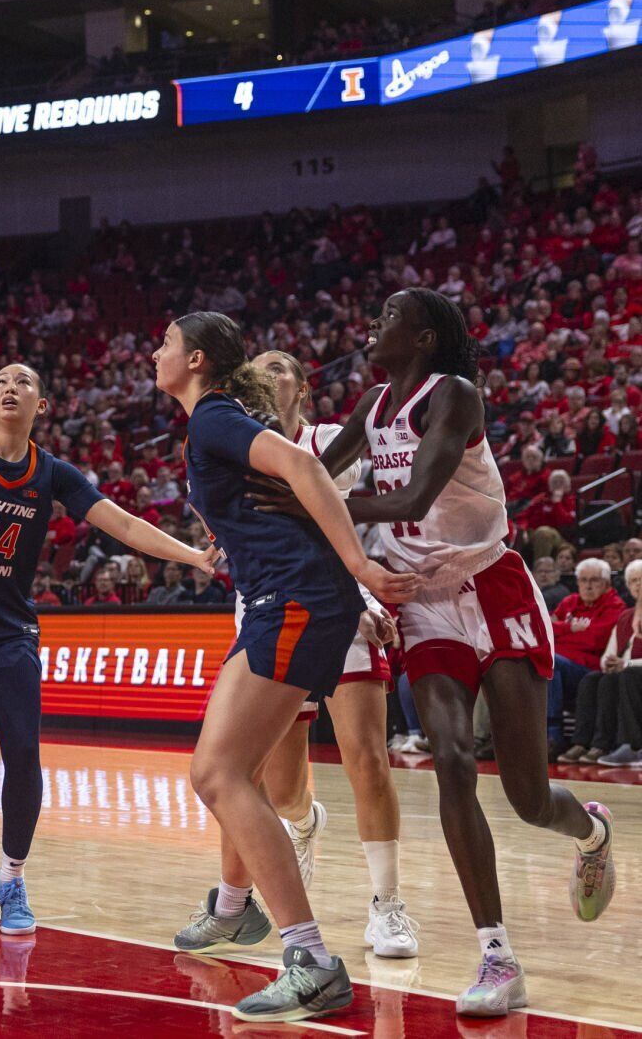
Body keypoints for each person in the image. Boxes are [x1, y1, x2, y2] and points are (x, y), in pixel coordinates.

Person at [255, 288, 615, 1016]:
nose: (372, 325)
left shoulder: (454, 395)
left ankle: (591, 831)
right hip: (423, 603)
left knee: (527, 797)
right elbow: (317, 472)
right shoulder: (371, 406)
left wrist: (317, 504)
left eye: (389, 317)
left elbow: (413, 499)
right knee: (450, 759)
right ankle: (497, 956)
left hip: (494, 586)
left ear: (423, 338)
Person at [0, 363, 222, 937]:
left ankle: (14, 879)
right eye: (1, 382)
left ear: (41, 406)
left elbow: (124, 525)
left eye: (23, 382)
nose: (10, 388)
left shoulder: (52, 472)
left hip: (9, 629)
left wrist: (194, 556)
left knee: (25, 752)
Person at [156, 312, 416, 1023]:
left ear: (197, 359)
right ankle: (243, 912)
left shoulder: (215, 416)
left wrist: (361, 570)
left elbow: (306, 469)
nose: (155, 353)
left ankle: (310, 959)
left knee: (221, 774)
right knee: (224, 773)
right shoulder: (217, 421)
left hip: (295, 598)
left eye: (166, 343)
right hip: (282, 597)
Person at [548, 559, 629, 756]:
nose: (588, 585)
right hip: (560, 667)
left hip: (588, 671)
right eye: (583, 580)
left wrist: (561, 632)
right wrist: (569, 628)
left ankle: (553, 736)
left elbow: (594, 641)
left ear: (607, 583)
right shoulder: (569, 602)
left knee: (551, 662)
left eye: (594, 580)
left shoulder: (615, 606)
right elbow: (543, 629)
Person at [567, 561, 642, 765]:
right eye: (633, 581)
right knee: (594, 678)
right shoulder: (625, 616)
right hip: (626, 671)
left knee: (627, 675)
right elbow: (609, 653)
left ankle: (633, 746)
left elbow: (626, 665)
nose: (638, 585)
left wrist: (625, 664)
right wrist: (608, 664)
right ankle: (590, 743)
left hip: (634, 672)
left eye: (641, 580)